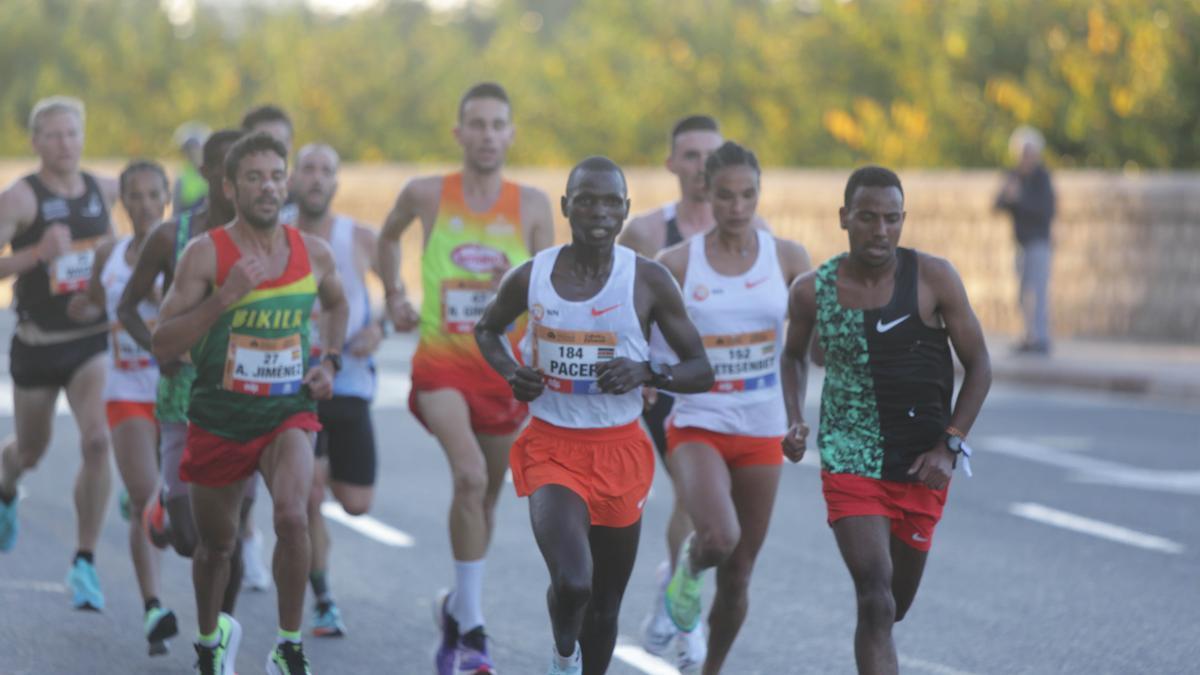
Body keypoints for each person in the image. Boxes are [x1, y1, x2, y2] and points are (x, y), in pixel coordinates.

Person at [475, 156, 714, 675]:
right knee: (574, 581)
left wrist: (647, 372)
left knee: (604, 606)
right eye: (586, 199)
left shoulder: (647, 280)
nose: (599, 212)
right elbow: (487, 329)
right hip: (551, 447)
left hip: (619, 451)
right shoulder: (531, 276)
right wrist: (511, 372)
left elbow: (700, 369)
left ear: (626, 210)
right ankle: (563, 655)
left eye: (611, 201)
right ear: (566, 206)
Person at [152, 132, 348, 675]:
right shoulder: (206, 254)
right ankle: (211, 639)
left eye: (276, 176)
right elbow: (163, 343)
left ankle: (288, 645)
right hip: (219, 418)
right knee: (217, 548)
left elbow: (337, 303)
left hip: (288, 412)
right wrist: (224, 298)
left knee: (292, 514)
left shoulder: (314, 252)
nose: (269, 187)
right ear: (230, 187)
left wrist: (329, 360)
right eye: (255, 177)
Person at [784, 166, 991, 675]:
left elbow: (981, 365)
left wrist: (949, 446)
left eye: (891, 219)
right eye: (868, 218)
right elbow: (792, 356)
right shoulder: (813, 290)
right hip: (850, 455)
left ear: (903, 221)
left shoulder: (934, 278)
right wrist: (794, 418)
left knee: (894, 604)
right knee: (875, 599)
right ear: (844, 218)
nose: (880, 231)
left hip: (923, 461)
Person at [379, 81, 554, 674]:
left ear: (510, 133)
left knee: (487, 496)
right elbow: (386, 236)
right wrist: (395, 294)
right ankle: (473, 633)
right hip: (440, 366)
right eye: (475, 124)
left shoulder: (531, 205)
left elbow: (548, 295)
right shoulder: (427, 193)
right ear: (458, 133)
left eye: (496, 124)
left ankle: (458, 605)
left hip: (504, 374)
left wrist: (544, 353)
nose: (486, 135)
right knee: (470, 475)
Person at [655, 142, 811, 674]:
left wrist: (796, 416)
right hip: (698, 421)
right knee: (719, 538)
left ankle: (710, 669)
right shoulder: (676, 263)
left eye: (748, 195)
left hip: (763, 426)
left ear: (759, 194)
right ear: (708, 194)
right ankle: (686, 570)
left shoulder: (787, 258)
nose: (738, 207)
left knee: (741, 572)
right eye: (726, 196)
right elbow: (647, 339)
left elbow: (799, 352)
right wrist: (651, 379)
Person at [118, 131, 250, 621]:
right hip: (183, 397)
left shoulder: (269, 239)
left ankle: (220, 641)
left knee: (230, 532)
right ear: (208, 173)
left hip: (245, 400)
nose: (238, 182)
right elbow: (128, 305)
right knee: (189, 537)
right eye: (227, 170)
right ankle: (161, 515)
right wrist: (161, 350)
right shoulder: (171, 236)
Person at [0, 96, 119, 611]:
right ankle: (6, 487)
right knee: (30, 452)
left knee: (97, 442)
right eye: (52, 135)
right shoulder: (21, 199)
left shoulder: (103, 189)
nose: (64, 143)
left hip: (89, 341)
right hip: (37, 345)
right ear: (35, 142)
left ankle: (85, 562)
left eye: (72, 133)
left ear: (83, 135)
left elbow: (127, 249)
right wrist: (35, 255)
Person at [618, 114, 723, 664]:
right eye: (690, 156)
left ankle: (672, 585)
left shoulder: (748, 233)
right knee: (693, 499)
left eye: (711, 155)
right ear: (671, 164)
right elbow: (620, 305)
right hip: (668, 388)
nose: (702, 167)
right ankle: (687, 624)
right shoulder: (646, 233)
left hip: (726, 392)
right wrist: (639, 371)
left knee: (705, 507)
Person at [79, 160, 180, 653]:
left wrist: (167, 299)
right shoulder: (109, 253)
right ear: (123, 201)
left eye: (152, 194)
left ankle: (142, 501)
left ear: (166, 198)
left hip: (176, 393)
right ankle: (153, 608)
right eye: (134, 196)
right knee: (147, 499)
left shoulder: (185, 252)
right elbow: (93, 302)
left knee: (174, 511)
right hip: (127, 393)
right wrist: (77, 307)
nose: (144, 205)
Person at [292, 143, 385, 637]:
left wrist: (380, 328)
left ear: (336, 182)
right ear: (293, 177)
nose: (316, 178)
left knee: (356, 504)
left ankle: (313, 481)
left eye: (326, 170)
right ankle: (324, 598)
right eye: (307, 168)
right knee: (307, 497)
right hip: (291, 386)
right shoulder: (276, 235)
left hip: (348, 384)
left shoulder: (359, 237)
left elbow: (396, 297)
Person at [994, 126, 1055, 355]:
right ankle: (1027, 335)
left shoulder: (1042, 178)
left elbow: (1045, 210)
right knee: (1021, 293)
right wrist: (1010, 197)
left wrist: (1020, 199)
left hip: (1039, 241)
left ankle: (1040, 337)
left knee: (1038, 291)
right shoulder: (1014, 175)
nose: (1025, 158)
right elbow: (998, 203)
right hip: (1020, 243)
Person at [173, 122, 210, 215]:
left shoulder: (214, 173)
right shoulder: (182, 178)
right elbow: (175, 214)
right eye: (188, 149)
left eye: (195, 148)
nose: (192, 153)